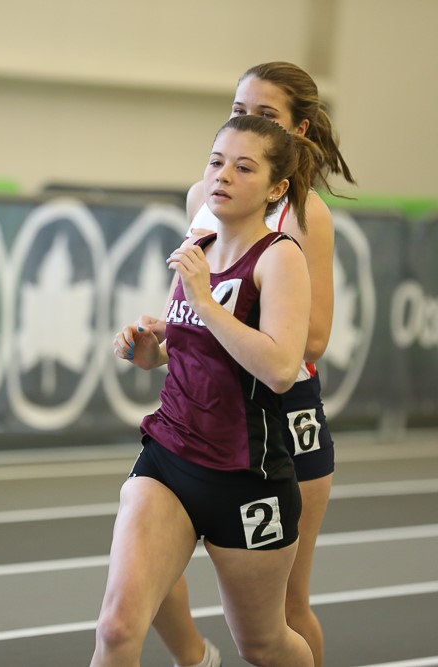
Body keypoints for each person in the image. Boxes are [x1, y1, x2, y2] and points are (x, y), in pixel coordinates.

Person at [141, 61, 355, 667]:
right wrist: (169, 330)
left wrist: (219, 315)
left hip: (282, 414)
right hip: (201, 412)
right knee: (142, 570)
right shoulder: (201, 198)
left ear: (298, 133)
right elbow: (187, 309)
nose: (245, 124)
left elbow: (310, 342)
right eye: (239, 111)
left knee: (284, 607)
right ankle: (194, 657)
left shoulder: (306, 218)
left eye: (264, 116)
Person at [93, 113, 322, 667]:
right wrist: (153, 348)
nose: (222, 176)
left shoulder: (279, 256)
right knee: (119, 628)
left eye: (243, 167)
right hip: (170, 456)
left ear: (276, 187)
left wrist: (205, 303)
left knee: (264, 645)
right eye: (216, 162)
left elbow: (280, 368)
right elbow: (194, 347)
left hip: (246, 477)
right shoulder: (199, 242)